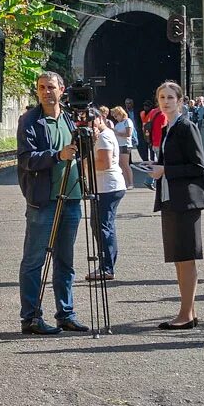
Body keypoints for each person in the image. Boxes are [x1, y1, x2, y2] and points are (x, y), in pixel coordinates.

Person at [15, 71, 89, 335]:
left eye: (51, 87)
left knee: (65, 260)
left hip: (71, 196)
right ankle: (31, 318)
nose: (47, 92)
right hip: (43, 200)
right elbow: (26, 159)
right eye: (42, 87)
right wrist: (58, 155)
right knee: (34, 260)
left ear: (62, 89)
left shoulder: (71, 118)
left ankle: (65, 314)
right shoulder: (30, 121)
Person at [145, 81, 204, 329]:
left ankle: (185, 314)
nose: (166, 101)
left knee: (186, 257)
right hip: (172, 199)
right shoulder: (168, 127)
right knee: (179, 258)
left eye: (171, 97)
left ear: (180, 101)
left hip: (186, 202)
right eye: (162, 97)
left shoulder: (186, 126)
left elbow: (198, 167)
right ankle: (188, 312)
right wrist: (157, 170)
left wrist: (165, 170)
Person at [87, 113, 128, 282]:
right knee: (101, 225)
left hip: (107, 187)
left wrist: (83, 161)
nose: (89, 124)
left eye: (91, 120)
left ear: (100, 119)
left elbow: (105, 163)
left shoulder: (103, 136)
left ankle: (107, 267)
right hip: (105, 186)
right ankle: (106, 265)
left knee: (103, 226)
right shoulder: (103, 134)